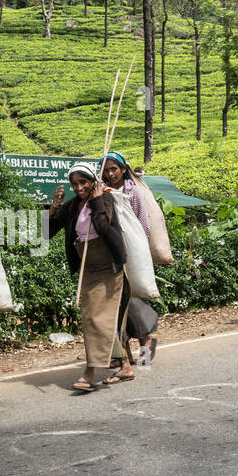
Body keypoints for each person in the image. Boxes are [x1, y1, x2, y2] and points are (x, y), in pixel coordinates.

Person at [49, 162, 127, 391]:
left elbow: (103, 227)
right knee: (98, 320)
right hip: (88, 269)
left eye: (83, 182)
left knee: (97, 320)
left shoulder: (106, 199)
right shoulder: (73, 206)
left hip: (109, 268)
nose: (78, 188)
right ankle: (125, 365)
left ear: (93, 181)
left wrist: (96, 199)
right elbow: (48, 231)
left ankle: (90, 373)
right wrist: (54, 207)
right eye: (75, 184)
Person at [100, 150, 159, 376]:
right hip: (110, 256)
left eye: (114, 169)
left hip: (132, 255)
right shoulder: (102, 191)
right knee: (114, 310)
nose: (110, 174)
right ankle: (122, 357)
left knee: (134, 307)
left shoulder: (133, 192)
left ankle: (145, 352)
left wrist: (136, 252)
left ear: (123, 170)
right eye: (106, 170)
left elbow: (142, 225)